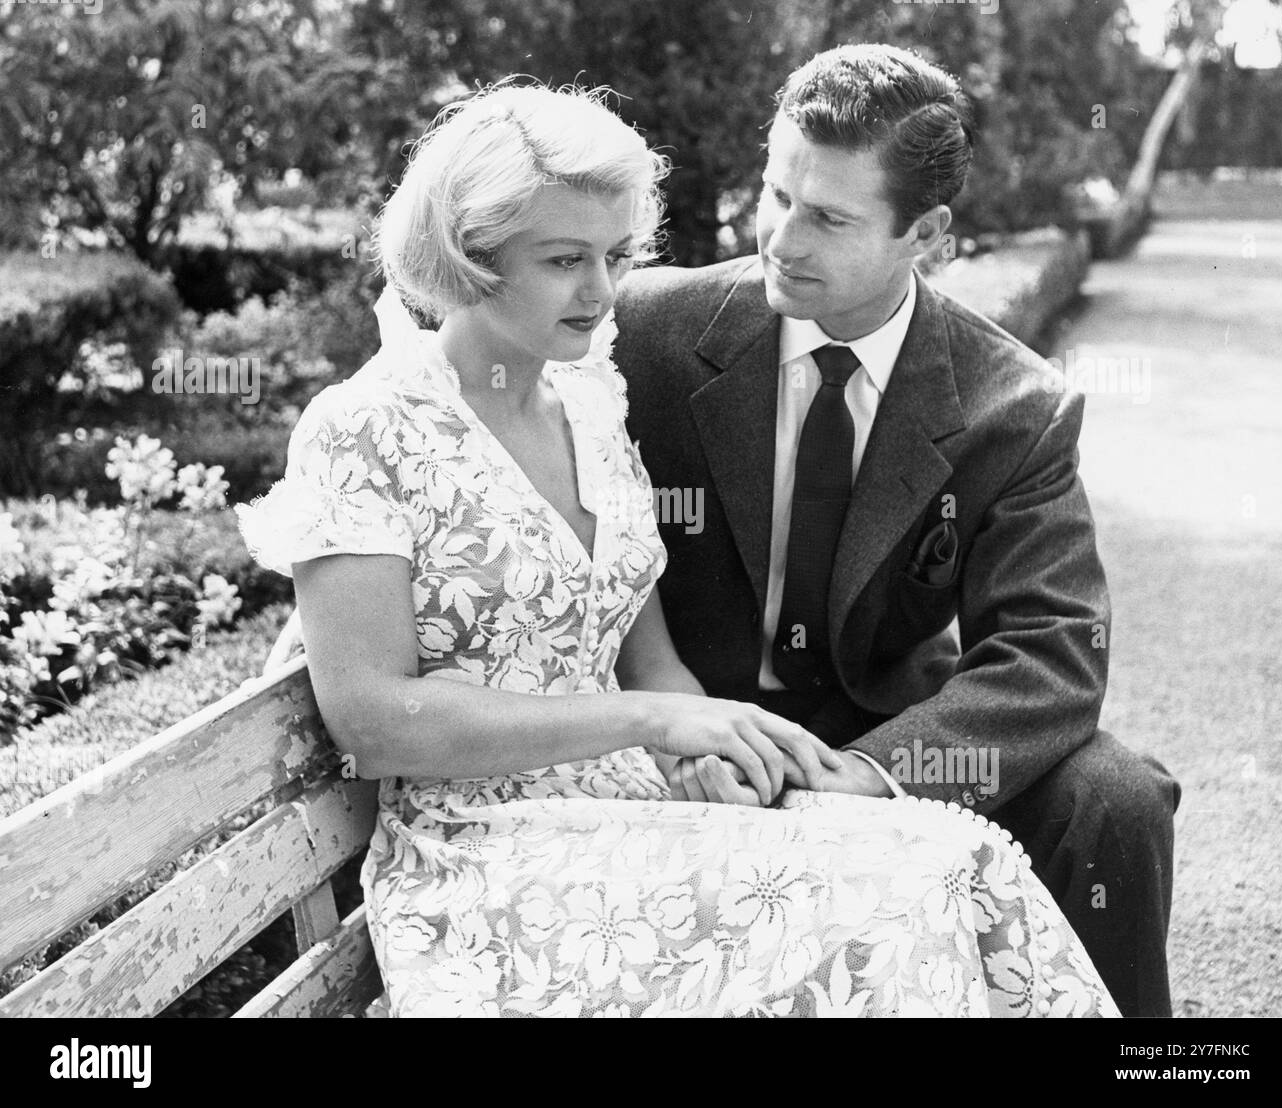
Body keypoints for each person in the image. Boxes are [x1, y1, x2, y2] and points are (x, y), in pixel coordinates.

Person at [239, 80, 1118, 1017]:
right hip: (483, 858)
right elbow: (371, 721)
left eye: (614, 255)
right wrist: (650, 727)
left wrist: (709, 756)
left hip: (636, 808)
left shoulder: (592, 400)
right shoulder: (362, 428)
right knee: (889, 901)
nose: (603, 291)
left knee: (959, 861)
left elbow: (654, 666)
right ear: (470, 256)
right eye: (565, 259)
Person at [614, 44, 1181, 1018]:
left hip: (886, 735)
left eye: (828, 218)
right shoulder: (643, 331)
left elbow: (1050, 653)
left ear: (927, 233)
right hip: (686, 726)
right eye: (775, 194)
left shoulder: (1015, 406)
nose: (780, 239)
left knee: (1114, 800)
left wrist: (872, 773)